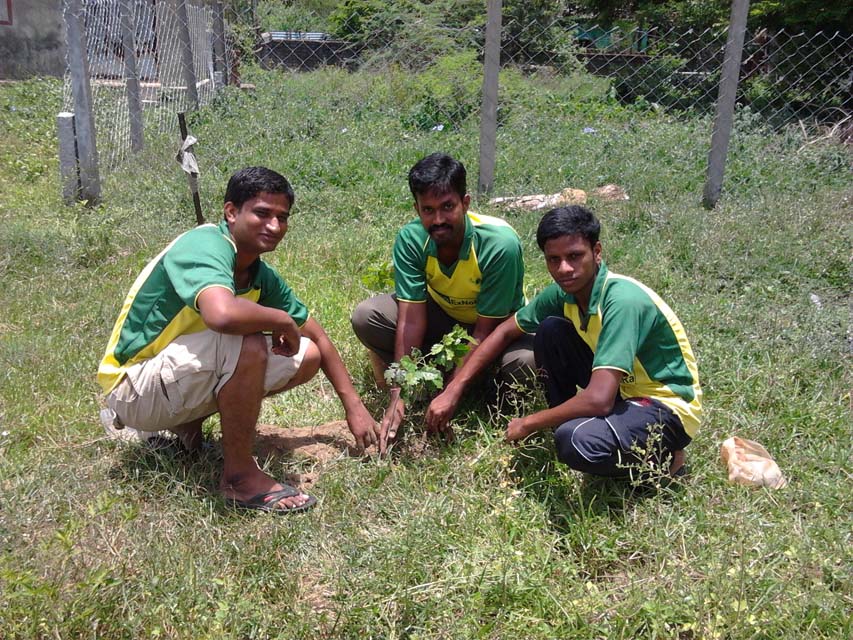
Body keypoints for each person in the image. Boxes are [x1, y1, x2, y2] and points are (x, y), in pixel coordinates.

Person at [98, 167, 379, 513]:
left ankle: (187, 425)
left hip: (169, 381)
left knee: (306, 355)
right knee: (246, 342)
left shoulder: (259, 273)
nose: (274, 226)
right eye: (262, 213)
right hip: (133, 388)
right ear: (231, 212)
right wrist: (280, 319)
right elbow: (223, 316)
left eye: (282, 217)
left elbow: (317, 335)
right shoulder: (204, 244)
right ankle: (239, 479)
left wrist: (354, 405)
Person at [426, 205, 701, 478]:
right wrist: (454, 388)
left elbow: (599, 400)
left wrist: (528, 423)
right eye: (553, 260)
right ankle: (582, 425)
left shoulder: (622, 300)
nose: (564, 269)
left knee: (576, 442)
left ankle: (665, 460)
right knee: (550, 331)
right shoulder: (563, 294)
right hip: (625, 391)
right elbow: (505, 331)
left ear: (597, 252)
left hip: (666, 406)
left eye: (574, 256)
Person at [351, 153, 535, 453]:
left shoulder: (498, 244)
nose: (438, 220)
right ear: (417, 209)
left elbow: (485, 331)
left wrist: (451, 391)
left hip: (497, 328)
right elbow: (411, 319)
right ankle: (436, 383)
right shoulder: (412, 239)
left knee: (525, 362)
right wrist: (399, 393)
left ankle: (481, 389)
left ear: (466, 202)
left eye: (448, 207)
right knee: (368, 315)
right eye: (428, 210)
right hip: (445, 320)